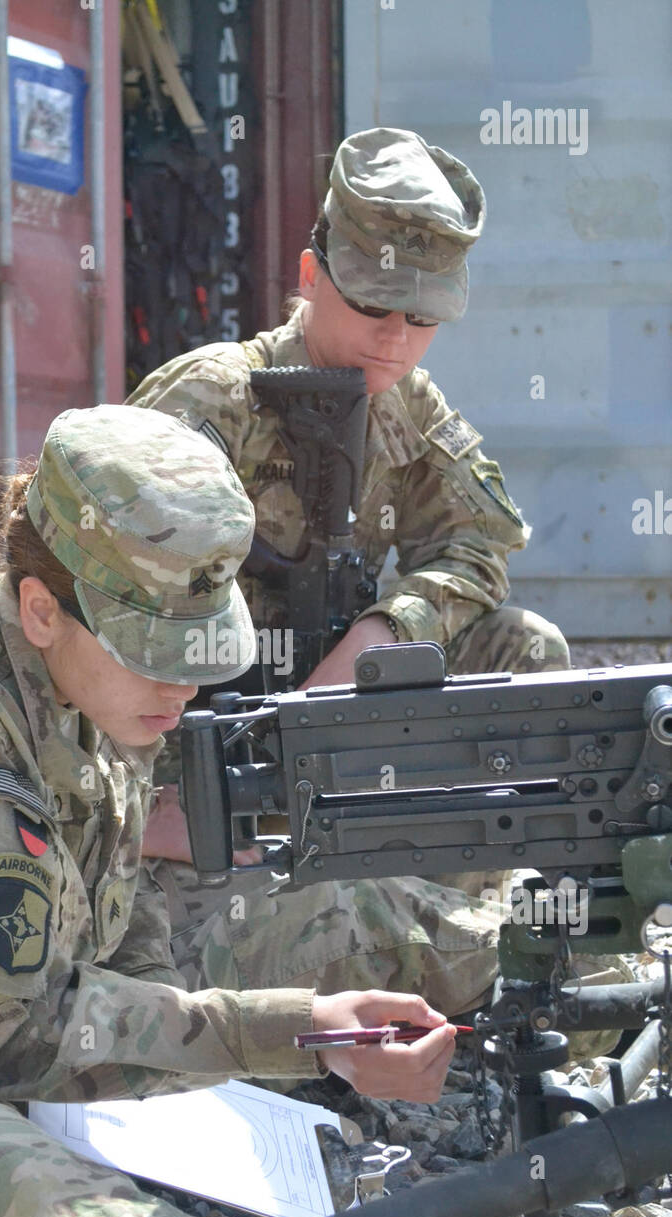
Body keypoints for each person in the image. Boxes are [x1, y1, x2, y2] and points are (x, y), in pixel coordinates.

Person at [0, 404, 458, 1217]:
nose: (183, 688)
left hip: (13, 1096)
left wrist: (320, 1033)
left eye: (197, 652)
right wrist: (283, 1033)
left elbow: (126, 939)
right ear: (41, 609)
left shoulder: (101, 691)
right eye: (156, 655)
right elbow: (10, 1039)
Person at [127, 127, 571, 1020]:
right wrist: (160, 806)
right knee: (218, 958)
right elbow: (92, 606)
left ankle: (446, 884)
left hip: (340, 740)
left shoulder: (407, 404)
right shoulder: (210, 401)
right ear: (308, 273)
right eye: (375, 310)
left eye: (423, 320)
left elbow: (481, 541)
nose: (397, 343)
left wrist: (386, 631)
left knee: (521, 646)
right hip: (194, 759)